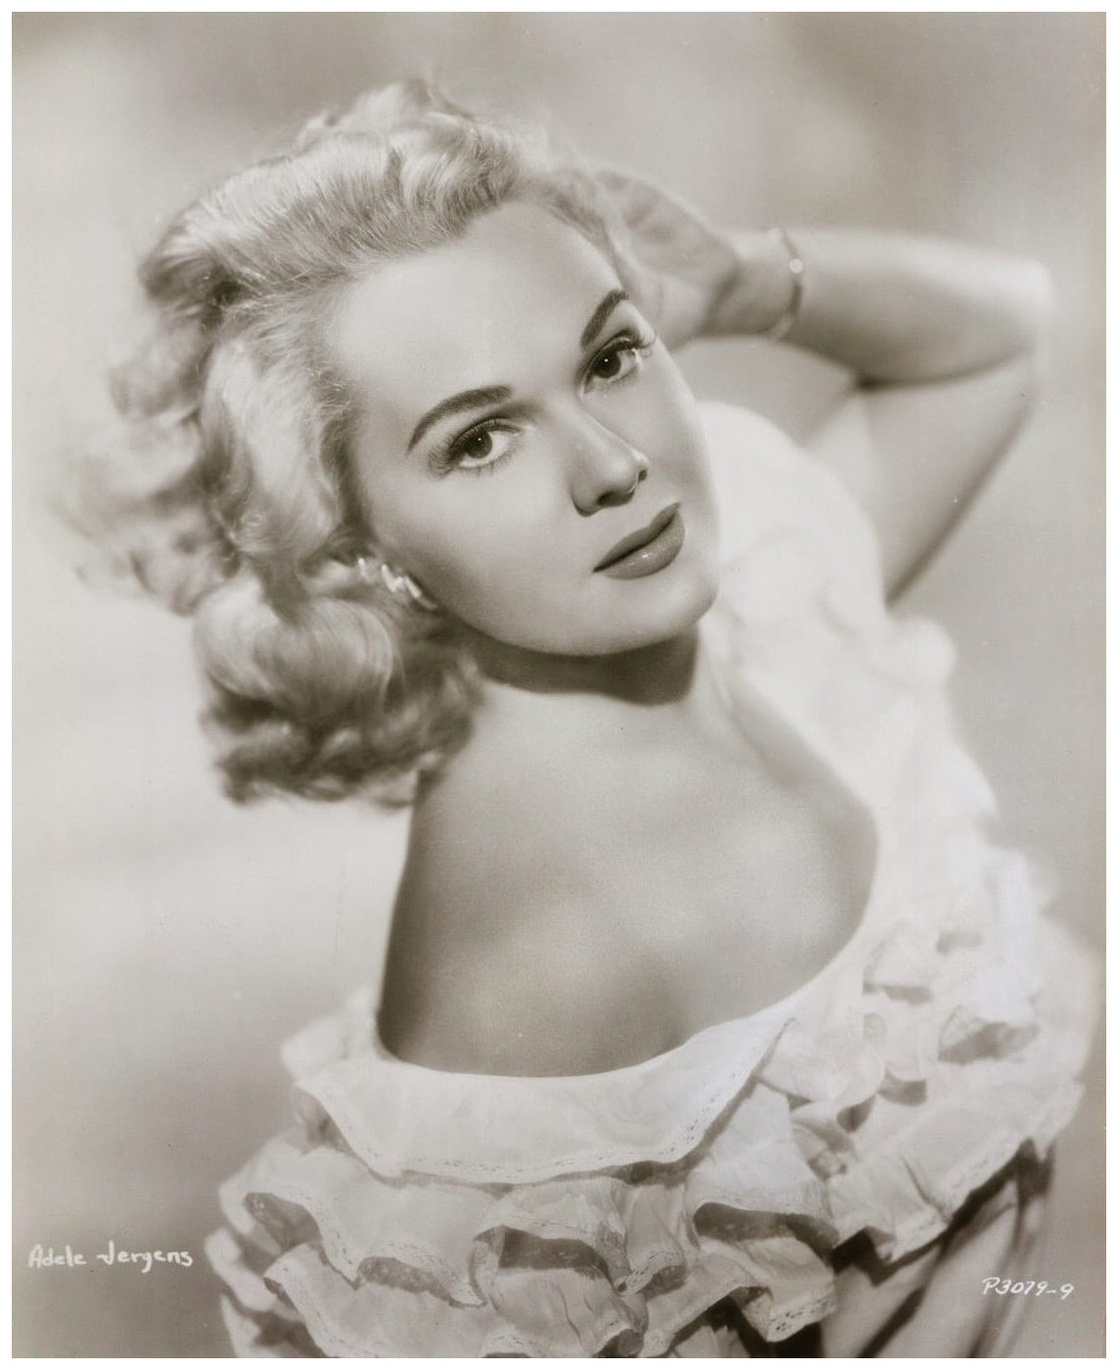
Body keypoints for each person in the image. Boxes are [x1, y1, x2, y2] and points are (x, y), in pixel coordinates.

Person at [80, 81, 1098, 1356]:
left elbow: (998, 337)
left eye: (610, 357)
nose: (614, 464)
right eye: (479, 441)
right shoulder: (529, 978)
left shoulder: (751, 575)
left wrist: (739, 281)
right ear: (356, 550)